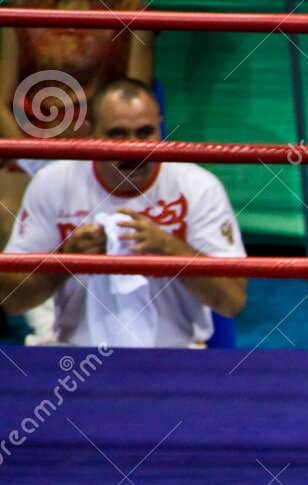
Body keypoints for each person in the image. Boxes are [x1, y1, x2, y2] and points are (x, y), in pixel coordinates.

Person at [0, 78, 245, 346]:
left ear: (160, 129)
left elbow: (232, 301)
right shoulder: (54, 183)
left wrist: (168, 248)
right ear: (91, 134)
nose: (133, 147)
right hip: (72, 356)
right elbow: (11, 301)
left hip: (175, 357)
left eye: (144, 132)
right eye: (117, 133)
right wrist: (65, 260)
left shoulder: (197, 187)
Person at [0, 0, 155, 247]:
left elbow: (134, 99)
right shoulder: (21, 7)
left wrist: (98, 152)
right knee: (8, 214)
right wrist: (26, 159)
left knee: (111, 225)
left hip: (100, 149)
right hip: (30, 146)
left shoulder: (130, 8)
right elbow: (1, 102)